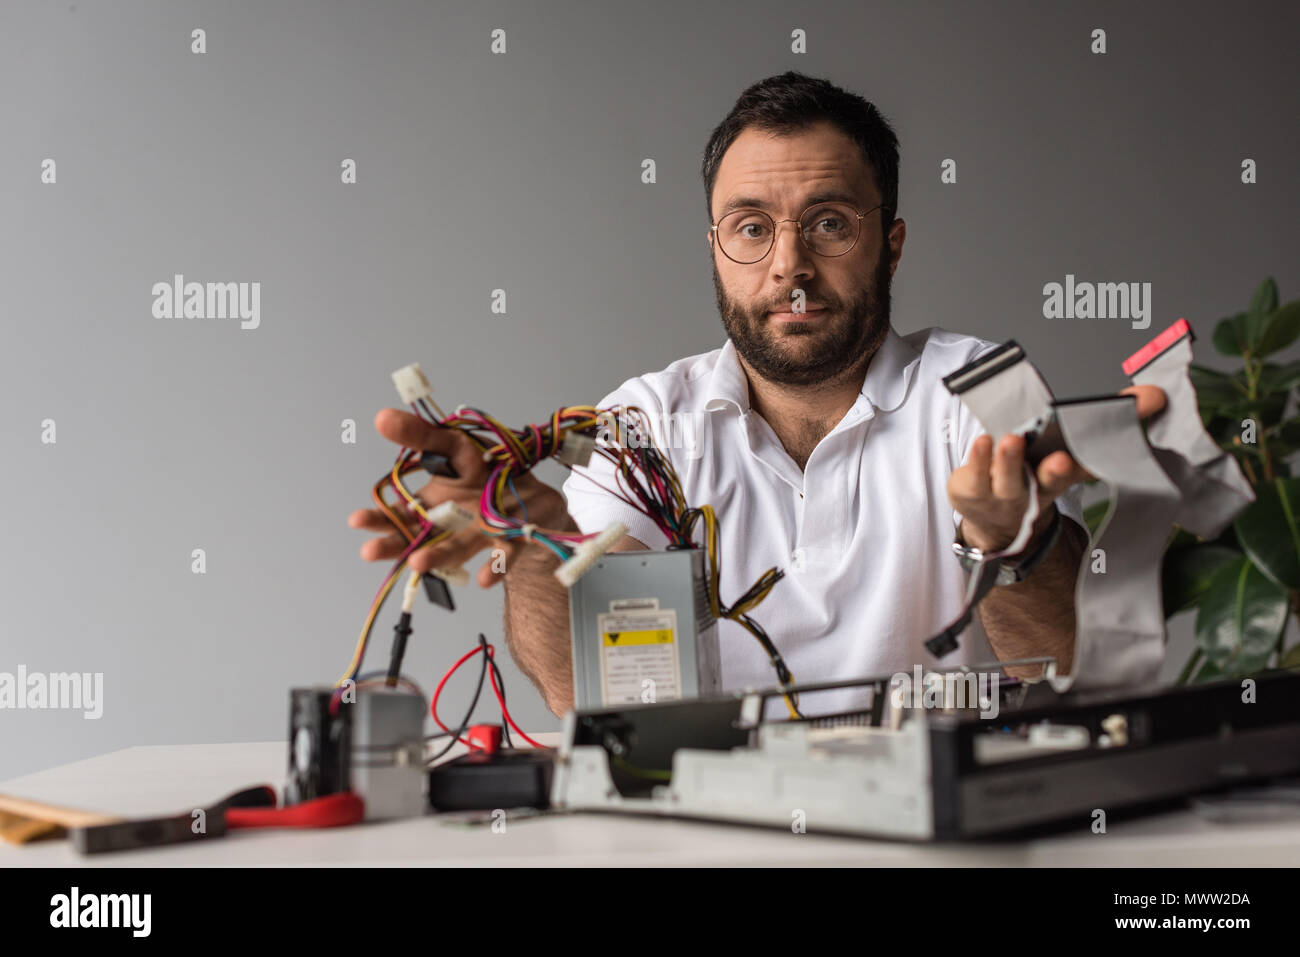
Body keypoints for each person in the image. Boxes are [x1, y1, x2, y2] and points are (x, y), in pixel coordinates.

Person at [348, 72, 1164, 718]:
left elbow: (1065, 664)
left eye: (830, 223)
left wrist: (1010, 546)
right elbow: (585, 696)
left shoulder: (978, 393)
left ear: (891, 241)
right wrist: (538, 536)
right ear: (715, 248)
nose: (789, 267)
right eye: (750, 227)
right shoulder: (642, 427)